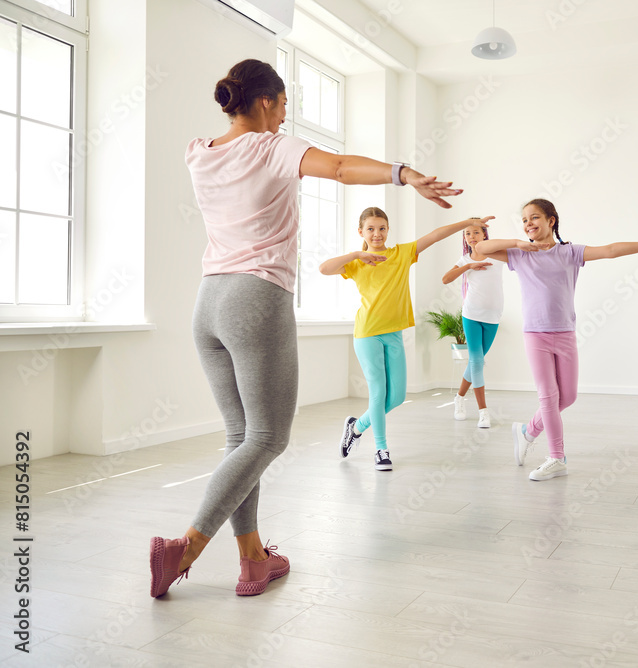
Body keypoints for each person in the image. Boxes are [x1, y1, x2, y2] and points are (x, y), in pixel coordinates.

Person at [150, 59, 461, 599]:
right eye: (286, 103)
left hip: (209, 303)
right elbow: (339, 168)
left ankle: (253, 561)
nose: (286, 113)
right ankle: (186, 548)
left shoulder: (199, 151)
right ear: (267, 101)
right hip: (256, 298)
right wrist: (404, 174)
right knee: (268, 437)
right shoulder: (273, 148)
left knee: (240, 437)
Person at [476, 198, 638, 481]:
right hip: (535, 334)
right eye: (524, 220)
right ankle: (556, 456)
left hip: (564, 333)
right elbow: (480, 248)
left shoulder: (570, 253)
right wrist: (518, 242)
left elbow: (611, 251)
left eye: (534, 217)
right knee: (548, 398)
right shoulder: (519, 255)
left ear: (551, 221)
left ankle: (527, 432)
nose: (528, 224)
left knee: (568, 396)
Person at [321, 210, 491, 471]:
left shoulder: (401, 253)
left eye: (381, 228)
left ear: (388, 230)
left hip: (394, 334)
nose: (377, 234)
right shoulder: (356, 263)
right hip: (367, 333)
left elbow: (434, 236)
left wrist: (468, 223)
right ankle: (381, 449)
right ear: (361, 232)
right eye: (370, 229)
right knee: (378, 393)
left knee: (397, 396)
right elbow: (324, 269)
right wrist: (357, 254)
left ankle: (356, 427)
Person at [441, 221, 503, 428]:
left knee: (476, 361)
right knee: (477, 362)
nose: (472, 236)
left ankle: (459, 397)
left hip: (493, 317)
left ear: (484, 235)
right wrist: (468, 266)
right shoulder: (465, 259)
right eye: (467, 233)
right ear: (465, 238)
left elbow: (518, 254)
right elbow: (445, 279)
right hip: (472, 315)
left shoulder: (497, 255)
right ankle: (483, 411)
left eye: (476, 231)